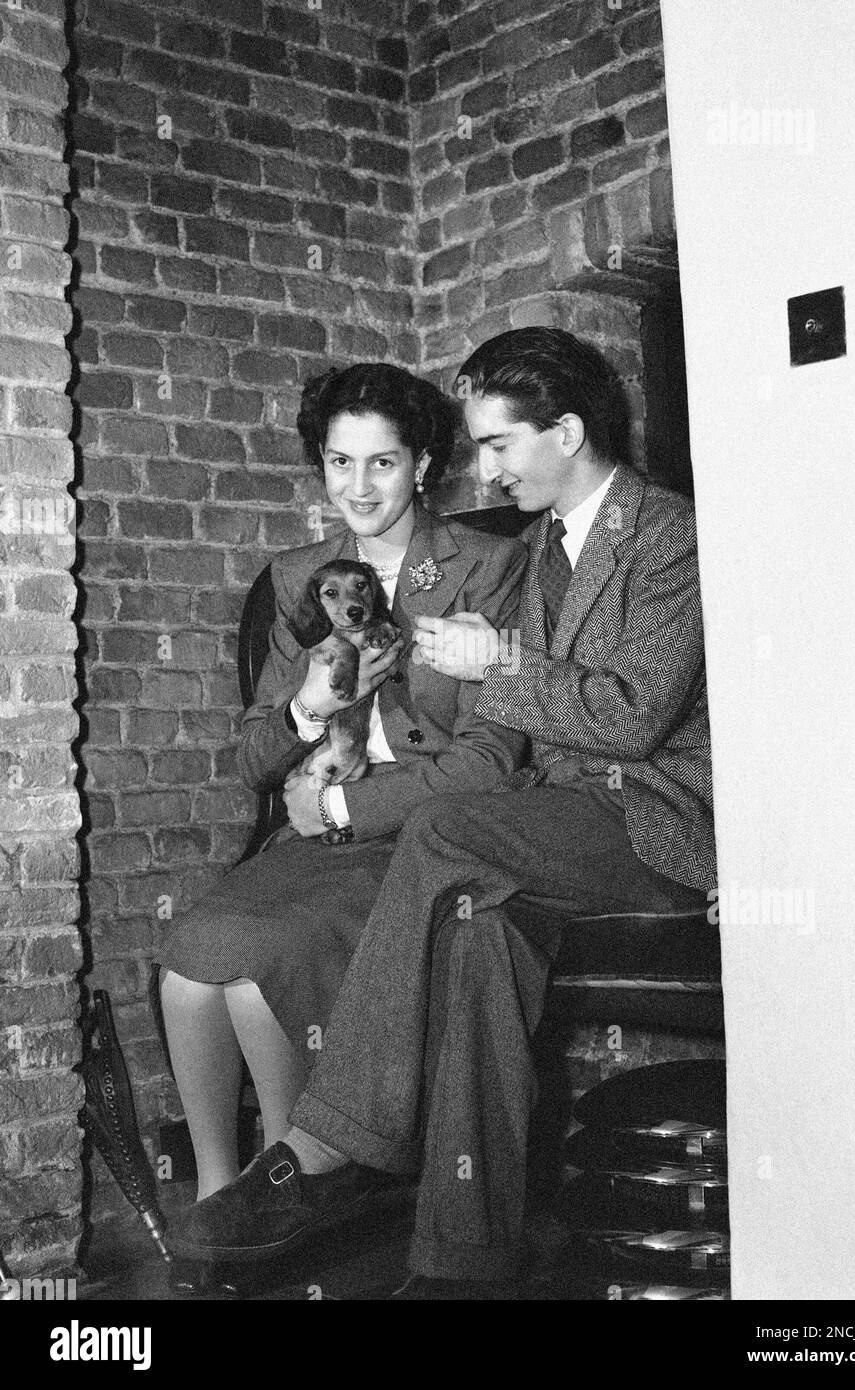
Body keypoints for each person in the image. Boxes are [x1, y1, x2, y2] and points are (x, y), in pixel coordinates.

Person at [166, 328, 717, 1299]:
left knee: (446, 831)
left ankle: (331, 1145)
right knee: (475, 937)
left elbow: (628, 717)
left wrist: (490, 666)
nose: (489, 469)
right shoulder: (543, 541)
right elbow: (500, 725)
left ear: (567, 432)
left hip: (649, 819)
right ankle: (459, 1264)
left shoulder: (665, 532)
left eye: (499, 445)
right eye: (340, 461)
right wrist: (331, 719)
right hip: (552, 817)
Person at [156, 363, 527, 1202]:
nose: (358, 487)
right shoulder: (299, 576)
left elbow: (494, 757)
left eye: (382, 463)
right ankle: (222, 1200)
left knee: (257, 977)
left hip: (428, 835)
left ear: (424, 464)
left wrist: (337, 805)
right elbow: (255, 758)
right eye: (338, 462)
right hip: (314, 831)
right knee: (187, 970)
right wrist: (306, 711)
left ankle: (297, 1194)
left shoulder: (492, 566)